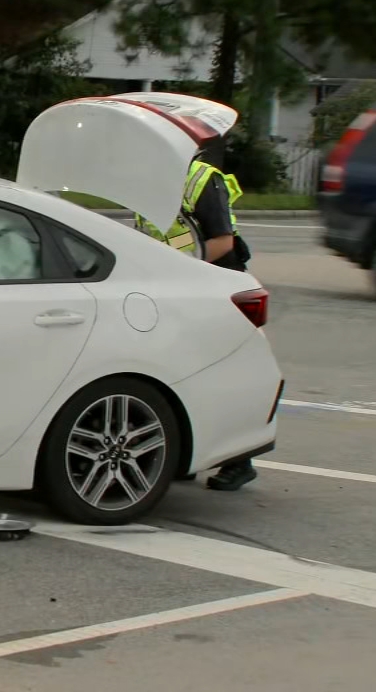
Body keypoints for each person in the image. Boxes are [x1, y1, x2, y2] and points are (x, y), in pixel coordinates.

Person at [134, 137, 257, 491]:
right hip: (175, 286)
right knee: (178, 373)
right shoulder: (148, 183)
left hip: (215, 284)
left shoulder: (201, 179)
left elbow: (222, 241)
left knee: (224, 371)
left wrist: (180, 271)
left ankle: (239, 459)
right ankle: (186, 455)